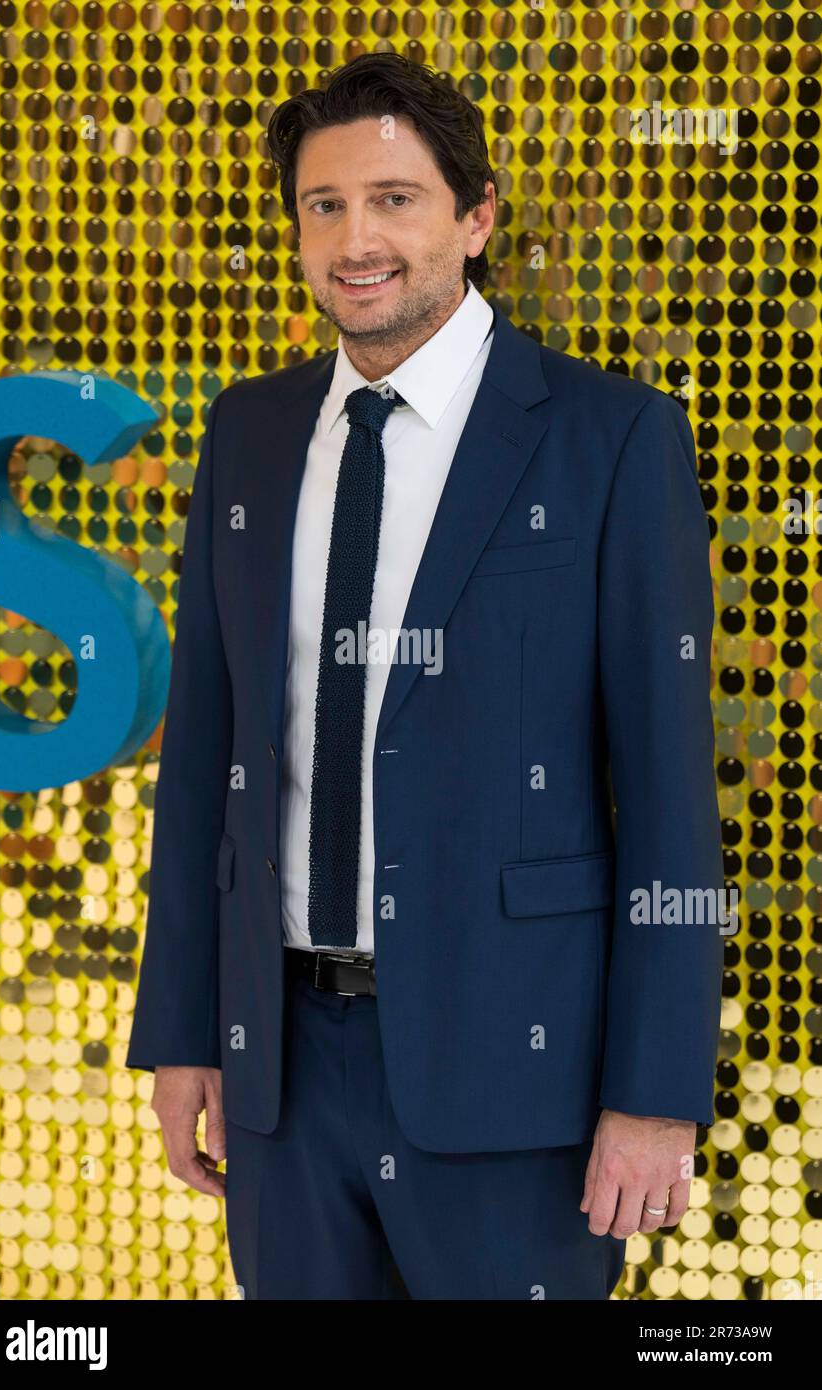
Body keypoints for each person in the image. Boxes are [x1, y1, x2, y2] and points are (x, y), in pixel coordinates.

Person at [126, 52, 725, 1300]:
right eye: (323, 204)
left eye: (394, 198)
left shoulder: (607, 437)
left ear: (475, 216)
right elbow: (206, 760)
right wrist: (183, 1030)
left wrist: (656, 1095)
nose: (356, 238)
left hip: (518, 1083)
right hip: (284, 1079)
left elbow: (670, 790)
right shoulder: (246, 432)